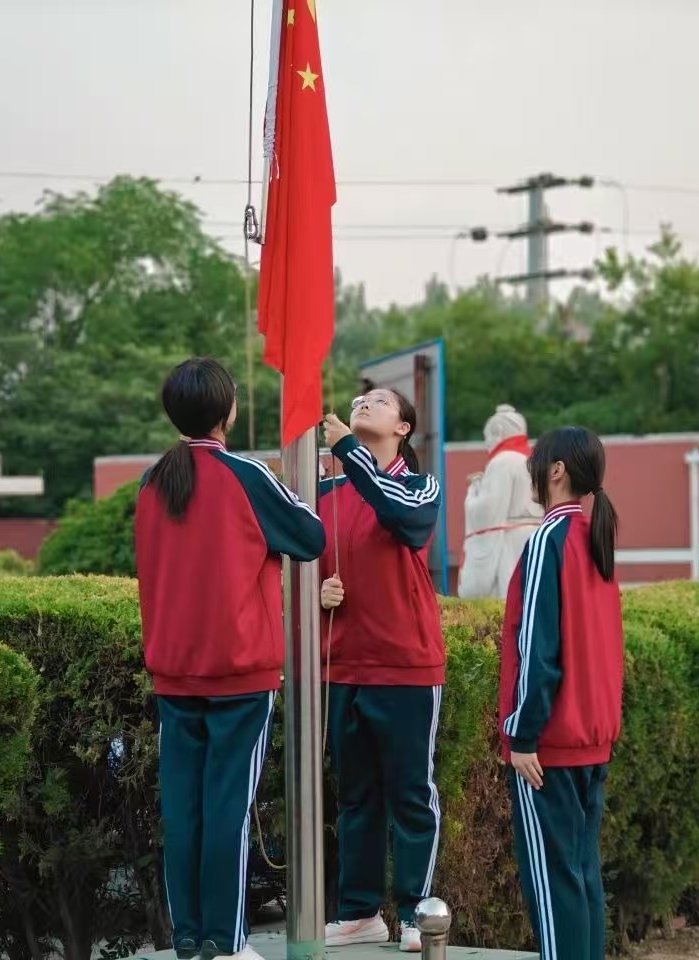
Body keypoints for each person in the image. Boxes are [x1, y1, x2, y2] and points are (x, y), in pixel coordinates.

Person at [136, 357, 326, 960]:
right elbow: (310, 536)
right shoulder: (245, 474)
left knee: (183, 810)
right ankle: (226, 940)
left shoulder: (152, 481)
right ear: (228, 410)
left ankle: (190, 937)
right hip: (239, 669)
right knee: (228, 809)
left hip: (174, 670)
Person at [317, 387, 445, 953]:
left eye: (379, 401)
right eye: (359, 399)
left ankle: (416, 913)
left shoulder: (419, 486)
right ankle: (359, 913)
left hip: (406, 665)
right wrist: (316, 593)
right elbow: (298, 562)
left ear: (404, 428)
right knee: (355, 798)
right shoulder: (326, 493)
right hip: (344, 665)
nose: (363, 402)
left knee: (411, 797)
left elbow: (403, 520)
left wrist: (349, 450)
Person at [497, 426, 624, 960]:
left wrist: (522, 735)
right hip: (592, 737)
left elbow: (537, 649)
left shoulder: (548, 540)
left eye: (537, 463)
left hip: (549, 743)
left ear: (555, 472)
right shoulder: (595, 539)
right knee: (581, 875)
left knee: (552, 885)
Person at [458, 404, 543, 600]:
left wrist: (474, 490)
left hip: (509, 540)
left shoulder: (501, 462)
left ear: (498, 432)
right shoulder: (534, 462)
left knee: (509, 597)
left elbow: (486, 510)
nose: (487, 442)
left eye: (488, 436)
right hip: (534, 537)